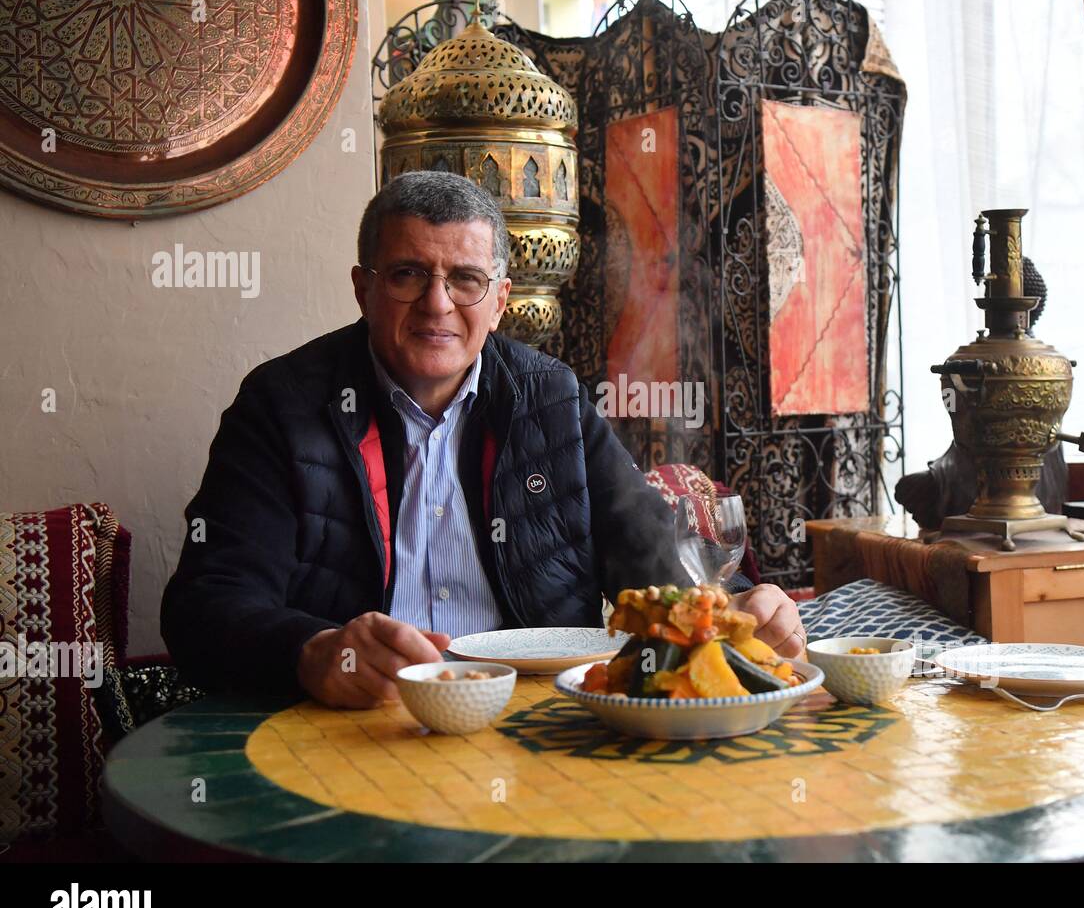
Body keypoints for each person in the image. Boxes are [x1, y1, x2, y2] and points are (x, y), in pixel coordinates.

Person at [161, 171, 805, 708]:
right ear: (364, 289)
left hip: (538, 720)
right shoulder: (282, 404)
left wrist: (739, 609)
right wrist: (310, 652)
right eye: (408, 275)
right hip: (356, 721)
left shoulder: (552, 398)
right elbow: (204, 608)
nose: (437, 303)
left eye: (464, 280)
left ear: (498, 301)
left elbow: (656, 564)